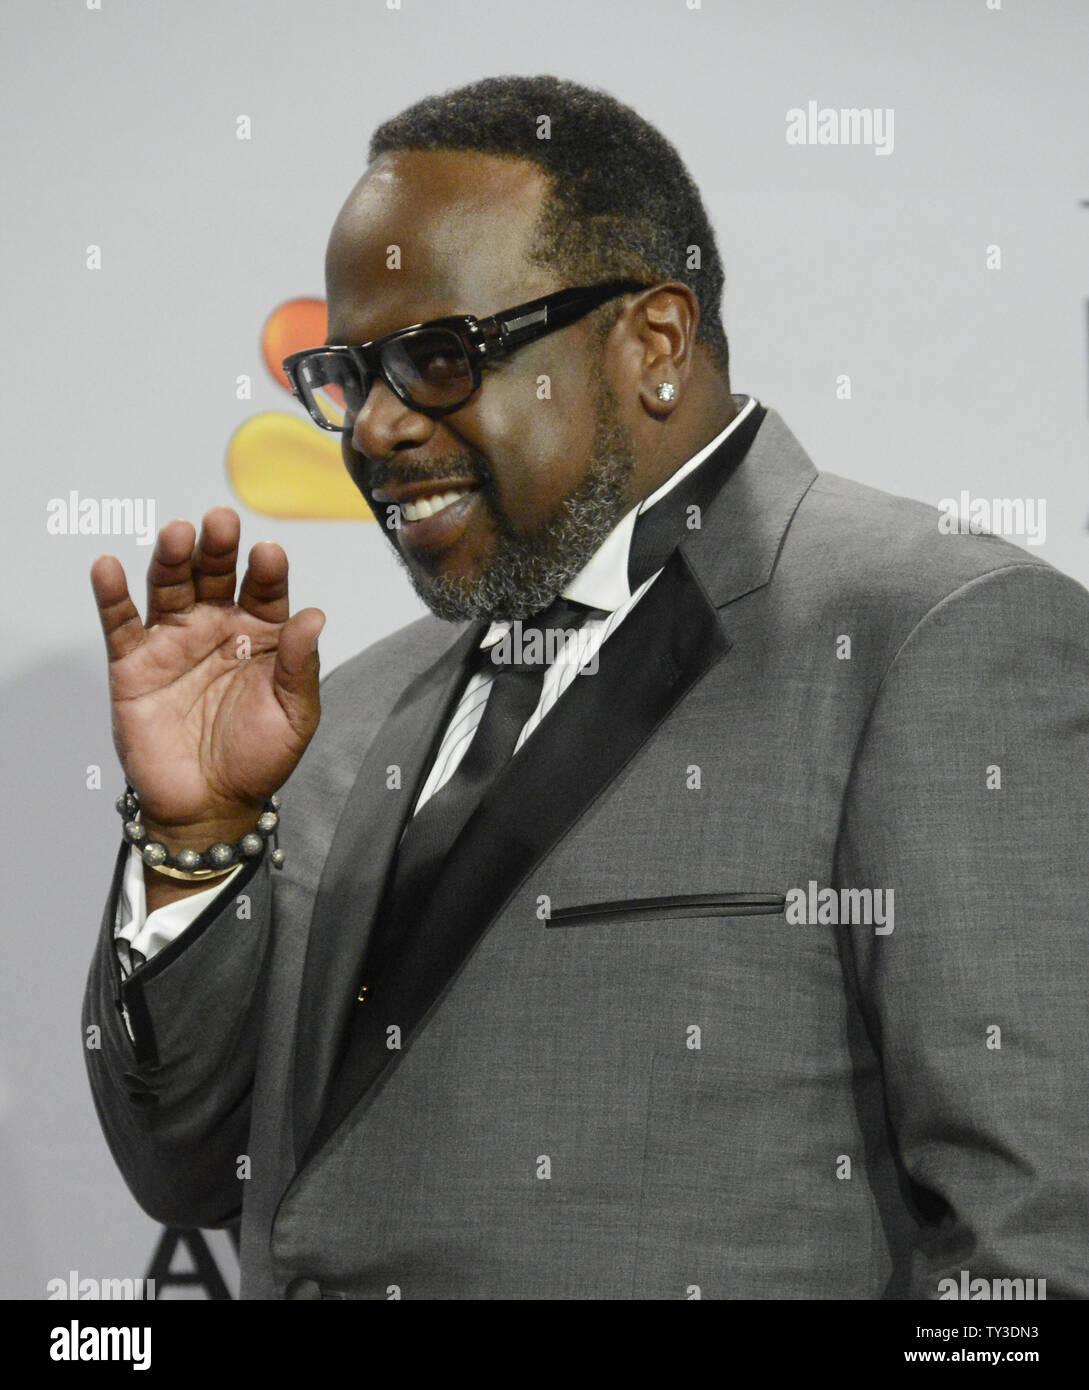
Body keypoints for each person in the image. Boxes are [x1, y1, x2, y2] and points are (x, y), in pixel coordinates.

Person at [84, 75, 1089, 1300]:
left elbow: (1039, 1240)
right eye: (351, 373)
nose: (375, 430)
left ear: (654, 343)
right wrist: (196, 841)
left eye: (439, 355)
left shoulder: (927, 636)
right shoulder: (336, 714)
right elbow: (189, 1174)